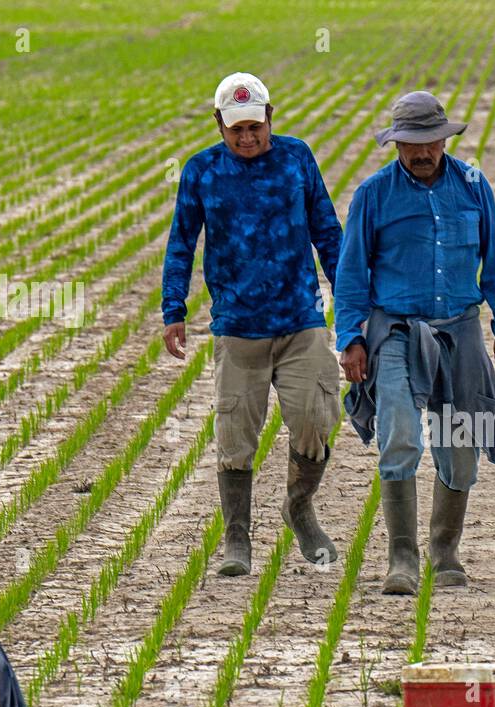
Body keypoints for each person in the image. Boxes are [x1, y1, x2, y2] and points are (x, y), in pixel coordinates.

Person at [335, 91, 495, 595]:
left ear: (444, 138)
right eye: (411, 143)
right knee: (400, 433)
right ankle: (402, 557)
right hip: (394, 330)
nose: (422, 152)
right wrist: (350, 339)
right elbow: (351, 273)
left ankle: (445, 552)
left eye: (430, 141)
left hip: (459, 328)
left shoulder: (472, 185)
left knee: (461, 445)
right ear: (396, 143)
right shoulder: (373, 195)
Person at [162, 72, 344, 576]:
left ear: (270, 117)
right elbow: (181, 242)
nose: (247, 138)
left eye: (255, 127)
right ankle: (237, 539)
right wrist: (172, 309)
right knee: (236, 436)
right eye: (236, 129)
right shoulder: (201, 171)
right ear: (219, 124)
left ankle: (299, 507)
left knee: (314, 418)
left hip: (300, 321)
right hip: (238, 328)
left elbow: (328, 232)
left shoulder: (296, 158)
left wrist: (352, 300)